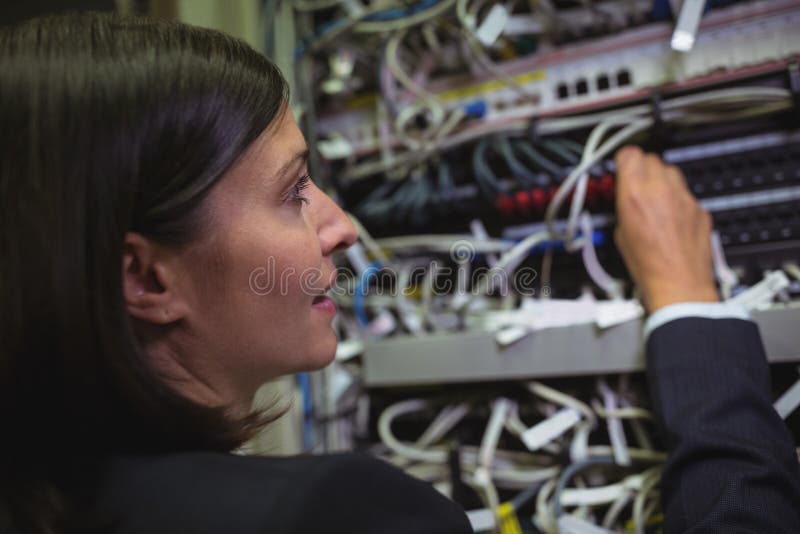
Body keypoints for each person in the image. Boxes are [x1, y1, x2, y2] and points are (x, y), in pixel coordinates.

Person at [0, 11, 796, 534]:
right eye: (293, 193)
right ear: (146, 281)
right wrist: (693, 311)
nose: (342, 226)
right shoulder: (330, 514)